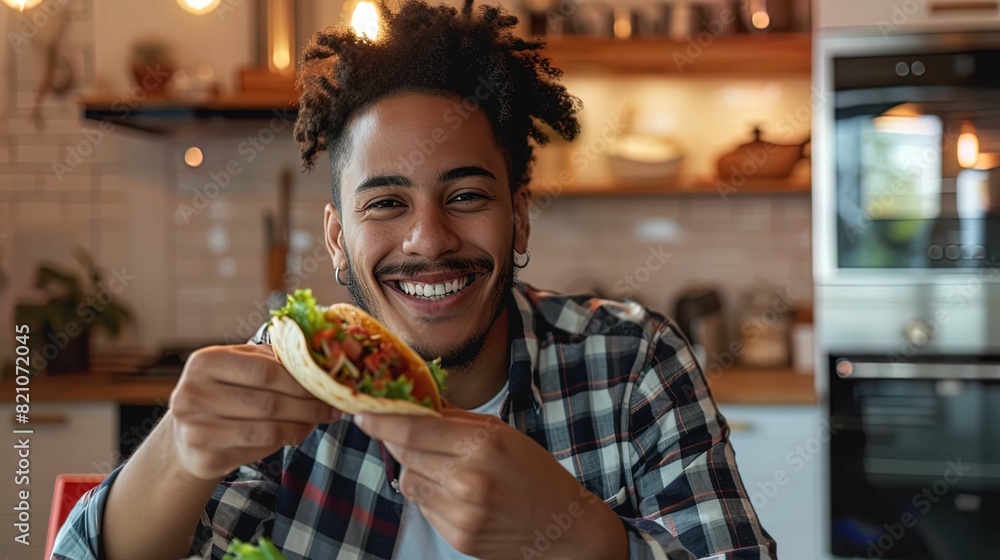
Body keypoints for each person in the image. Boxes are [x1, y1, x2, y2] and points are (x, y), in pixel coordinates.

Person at [53, 1, 776, 559]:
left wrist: (584, 539)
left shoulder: (632, 361)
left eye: (466, 196)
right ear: (338, 241)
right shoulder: (288, 385)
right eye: (387, 203)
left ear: (519, 219)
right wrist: (178, 448)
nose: (429, 238)